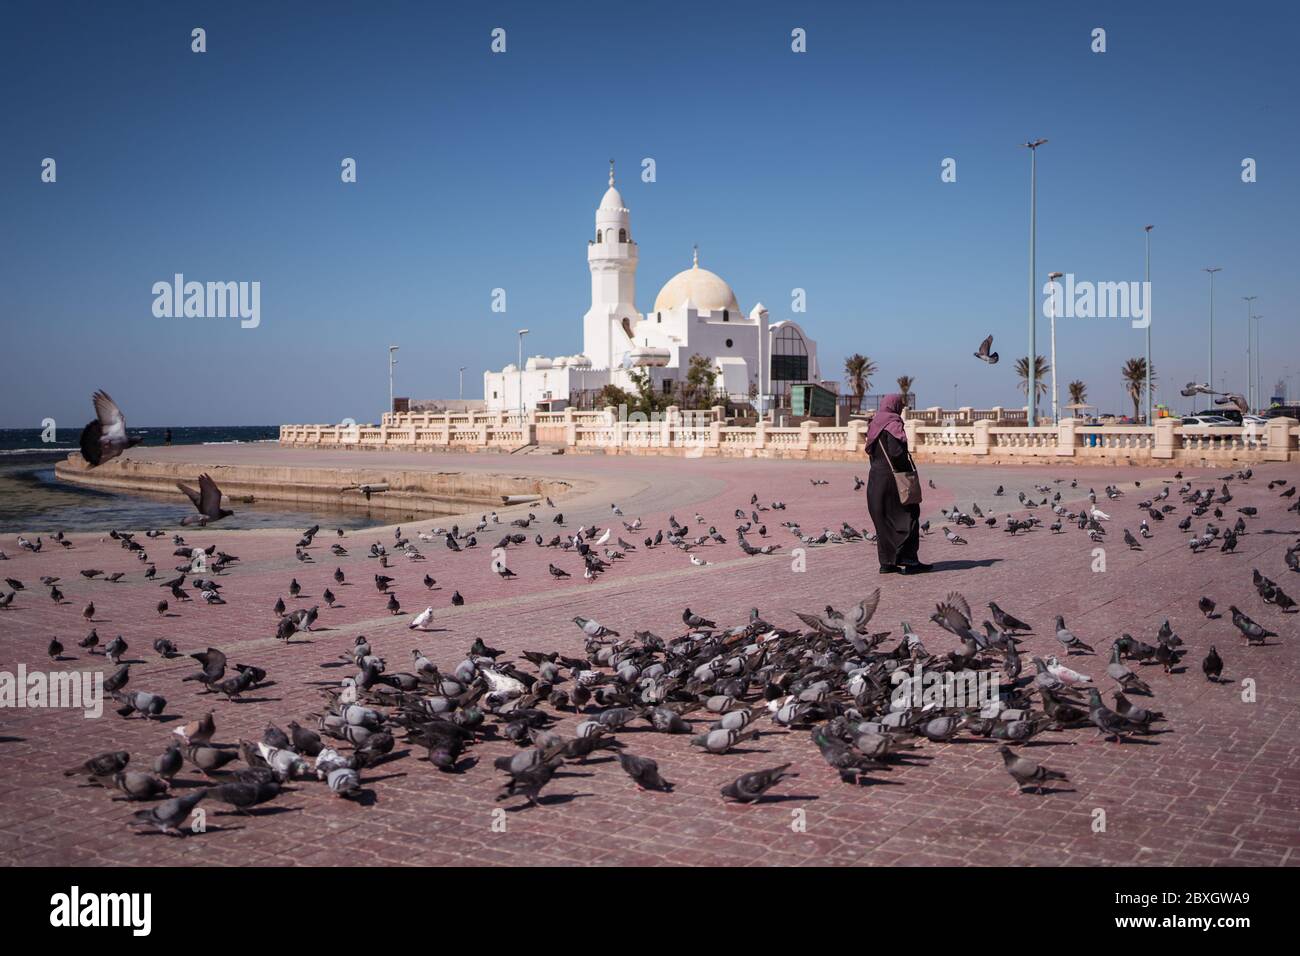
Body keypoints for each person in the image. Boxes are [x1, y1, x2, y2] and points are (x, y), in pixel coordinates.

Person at [864, 394, 929, 574]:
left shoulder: (873, 424)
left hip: (875, 481)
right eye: (900, 405)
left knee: (883, 521)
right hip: (893, 482)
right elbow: (896, 453)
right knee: (909, 514)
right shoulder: (893, 424)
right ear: (895, 406)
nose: (900, 408)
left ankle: (887, 563)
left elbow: (871, 452)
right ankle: (909, 560)